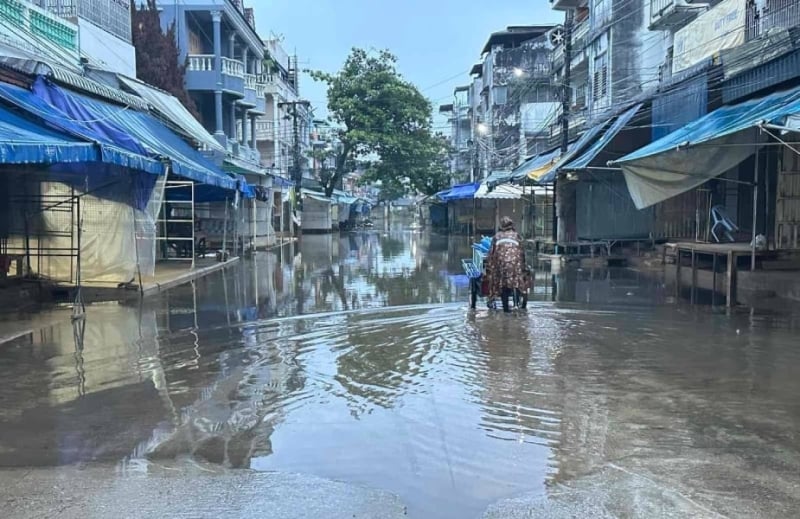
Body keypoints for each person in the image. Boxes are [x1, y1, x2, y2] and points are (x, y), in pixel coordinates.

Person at [485, 216, 529, 312]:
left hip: (501, 266)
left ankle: (505, 309)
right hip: (515, 266)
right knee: (517, 281)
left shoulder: (497, 236)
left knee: (503, 284)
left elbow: (491, 254)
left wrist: (489, 267)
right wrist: (524, 267)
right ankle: (516, 302)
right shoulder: (517, 236)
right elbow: (522, 253)